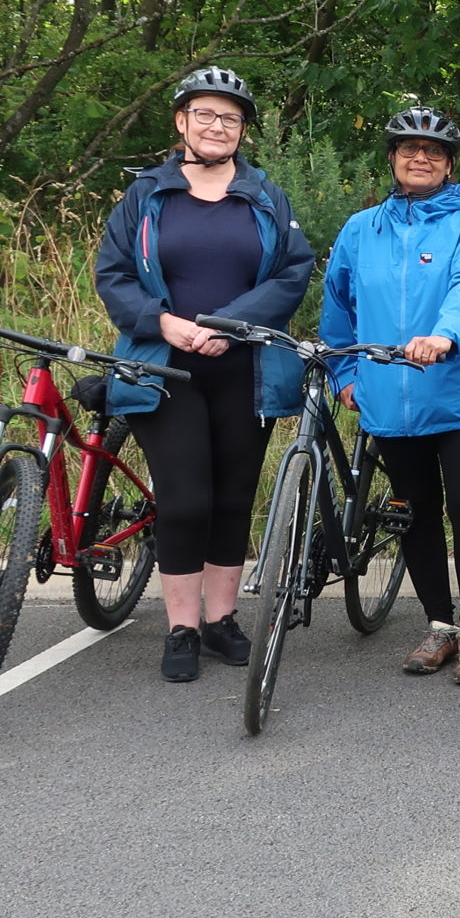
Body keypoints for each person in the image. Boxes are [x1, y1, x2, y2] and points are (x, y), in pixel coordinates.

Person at [93, 67, 316, 683]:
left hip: (246, 368)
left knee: (233, 498)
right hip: (164, 368)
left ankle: (222, 621)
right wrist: (161, 323)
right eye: (206, 115)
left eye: (230, 118)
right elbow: (112, 274)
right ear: (182, 122)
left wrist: (227, 324)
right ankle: (182, 628)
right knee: (186, 500)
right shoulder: (145, 195)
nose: (218, 127)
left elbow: (291, 275)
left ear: (243, 129)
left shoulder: (266, 196)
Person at [319, 108, 460, 685]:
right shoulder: (359, 230)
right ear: (393, 158)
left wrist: (445, 336)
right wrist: (345, 374)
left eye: (433, 150)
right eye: (409, 147)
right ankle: (440, 626)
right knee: (416, 514)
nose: (420, 157)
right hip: (388, 399)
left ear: (449, 164)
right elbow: (339, 307)